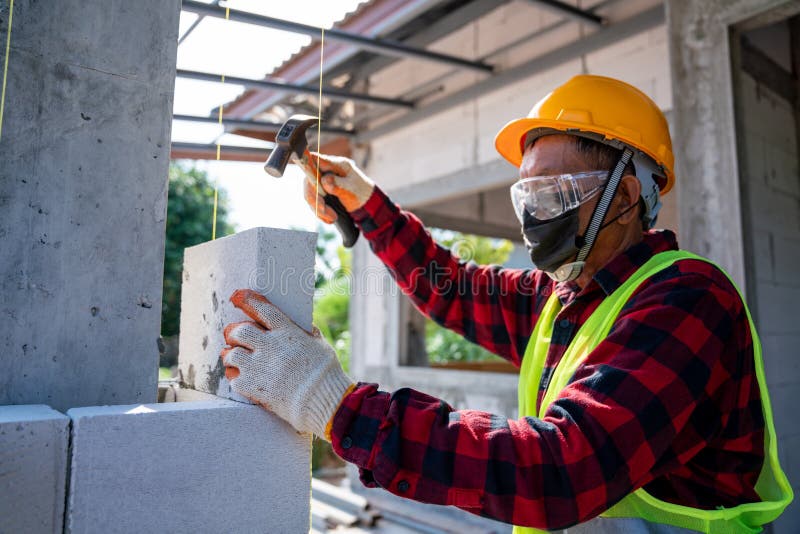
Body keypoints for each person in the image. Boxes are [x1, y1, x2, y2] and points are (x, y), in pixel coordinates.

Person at [220, 75, 792, 532]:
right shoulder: (564, 301)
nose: (536, 213)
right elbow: (451, 286)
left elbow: (562, 470)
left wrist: (335, 406)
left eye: (555, 191)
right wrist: (366, 200)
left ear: (625, 192)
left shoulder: (688, 301)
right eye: (527, 194)